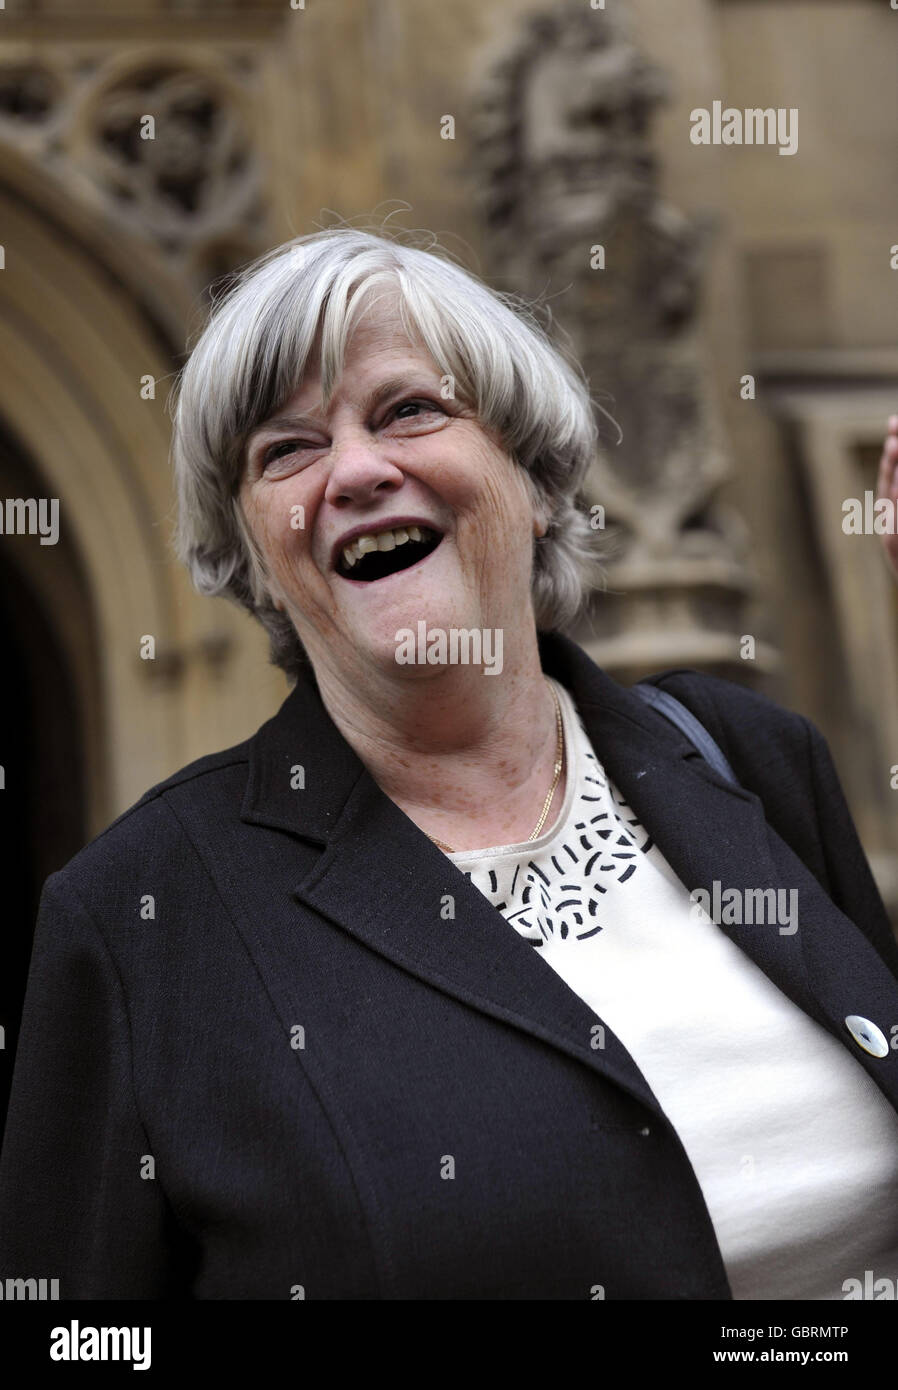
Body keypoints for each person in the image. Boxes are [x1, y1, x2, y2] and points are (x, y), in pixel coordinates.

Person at [2, 227, 898, 1301]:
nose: (356, 471)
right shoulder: (142, 911)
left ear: (534, 480)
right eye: (285, 450)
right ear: (253, 557)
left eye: (408, 410)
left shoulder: (749, 756)